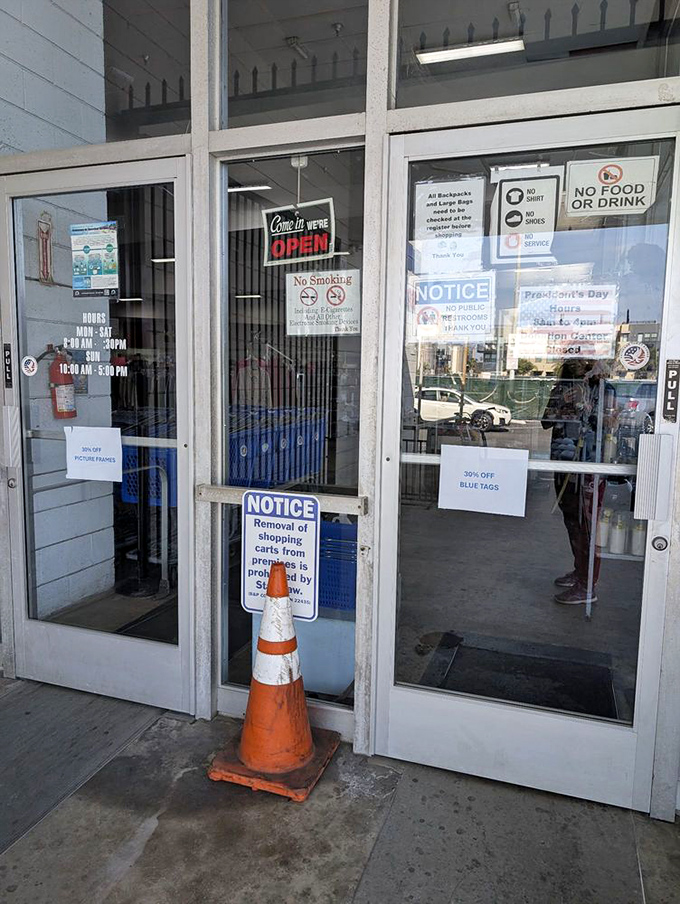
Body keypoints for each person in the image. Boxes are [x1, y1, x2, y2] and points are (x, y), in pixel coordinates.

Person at [541, 358, 616, 605]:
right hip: (563, 461)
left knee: (587, 524)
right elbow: (545, 422)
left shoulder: (604, 390)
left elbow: (609, 424)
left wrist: (584, 406)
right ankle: (580, 571)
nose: (579, 367)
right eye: (574, 362)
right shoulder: (562, 388)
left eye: (584, 362)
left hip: (589, 464)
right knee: (571, 519)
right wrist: (562, 403)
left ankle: (587, 584)